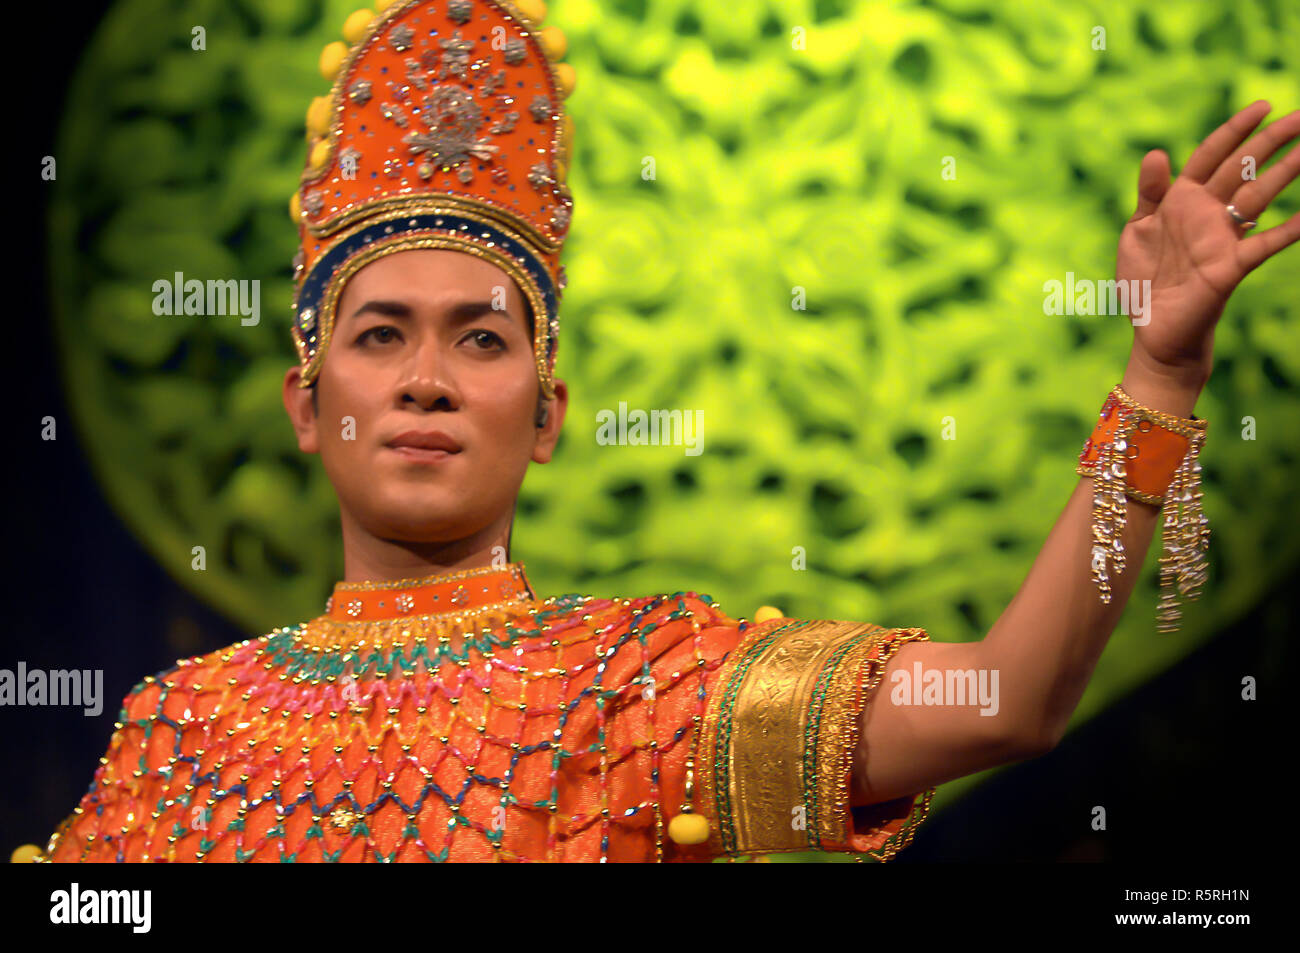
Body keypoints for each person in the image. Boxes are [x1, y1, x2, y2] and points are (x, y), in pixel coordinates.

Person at [26, 0, 1300, 863]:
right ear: (307, 407)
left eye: (480, 338)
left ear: (547, 415)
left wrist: (1160, 370)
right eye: (378, 335)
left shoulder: (643, 691)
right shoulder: (179, 735)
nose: (426, 379)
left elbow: (1008, 701)